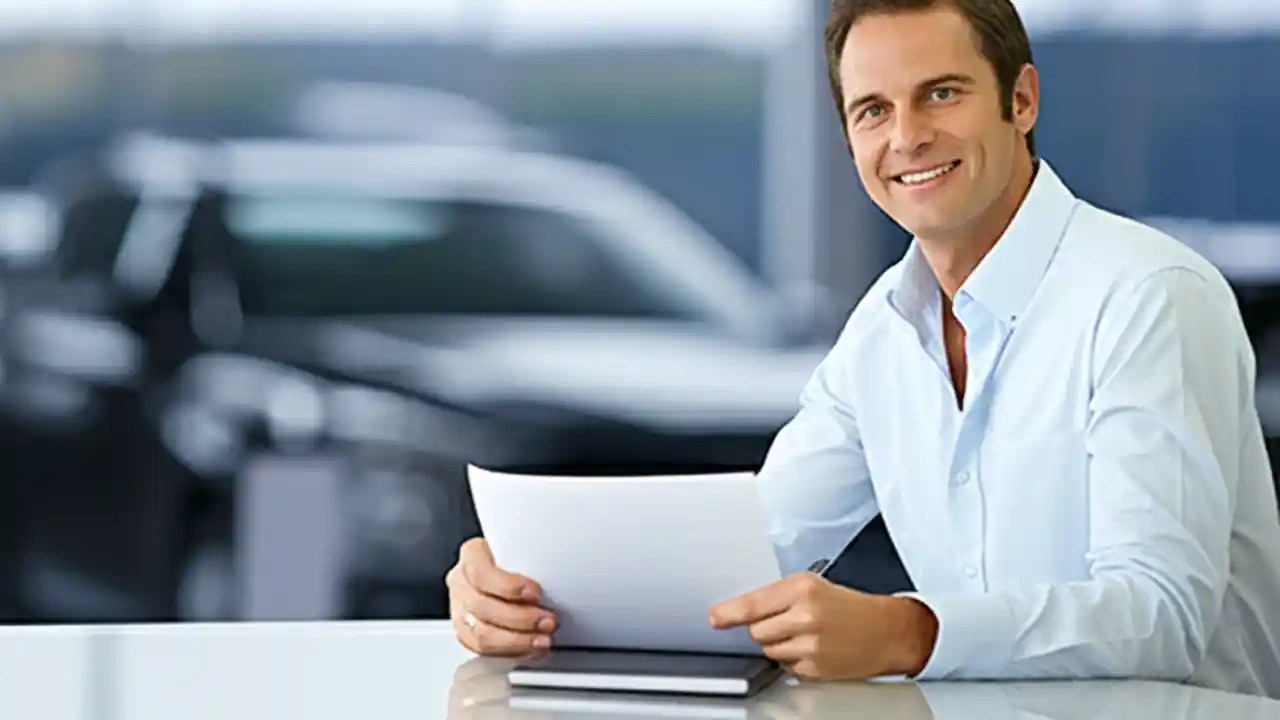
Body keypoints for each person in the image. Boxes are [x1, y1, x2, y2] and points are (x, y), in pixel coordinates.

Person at [445, 0, 1280, 697]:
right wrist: (529, 594)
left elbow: (1160, 618)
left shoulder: (1147, 298)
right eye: (872, 110)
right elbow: (745, 559)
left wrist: (904, 630)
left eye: (941, 93)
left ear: (1021, 100)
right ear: (849, 138)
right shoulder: (884, 331)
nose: (907, 136)